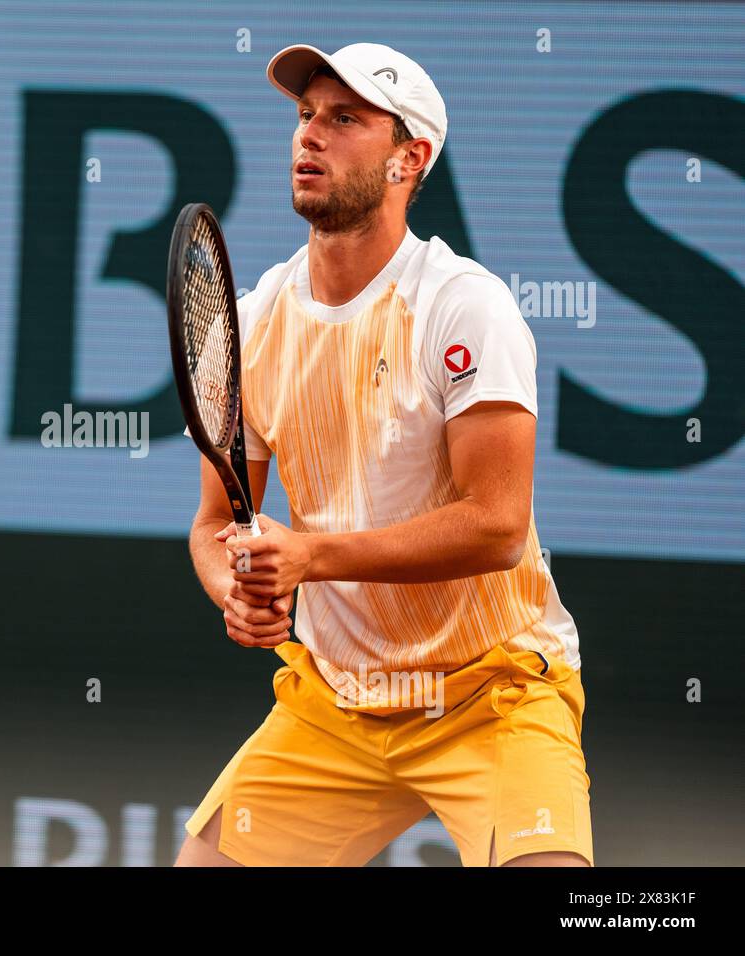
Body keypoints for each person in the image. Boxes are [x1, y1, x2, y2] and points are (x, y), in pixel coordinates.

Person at [176, 42, 592, 867]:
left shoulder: (465, 308)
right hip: (332, 703)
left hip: (492, 692)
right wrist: (238, 589)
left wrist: (309, 557)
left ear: (411, 157)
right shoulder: (255, 321)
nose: (310, 137)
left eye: (344, 119)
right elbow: (216, 523)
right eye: (304, 116)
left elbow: (497, 527)